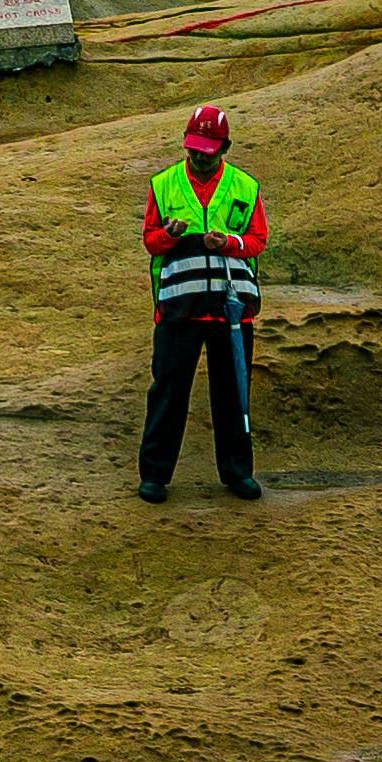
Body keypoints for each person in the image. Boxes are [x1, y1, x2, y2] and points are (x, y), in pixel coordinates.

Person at [137, 100, 267, 503]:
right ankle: (155, 476)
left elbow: (258, 240)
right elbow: (150, 241)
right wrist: (171, 234)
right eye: (192, 149)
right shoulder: (164, 184)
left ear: (224, 150)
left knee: (233, 393)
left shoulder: (247, 188)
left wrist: (228, 243)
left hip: (231, 310)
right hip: (179, 307)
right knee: (169, 392)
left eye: (206, 152)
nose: (197, 157)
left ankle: (237, 473)